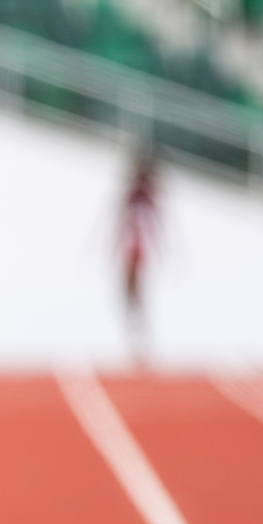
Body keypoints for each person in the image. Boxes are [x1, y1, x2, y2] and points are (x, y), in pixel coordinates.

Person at [119, 146, 159, 369]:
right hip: (137, 248)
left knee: (133, 296)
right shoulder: (147, 194)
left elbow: (125, 222)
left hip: (135, 248)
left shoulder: (138, 194)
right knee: (134, 297)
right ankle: (138, 342)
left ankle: (139, 343)